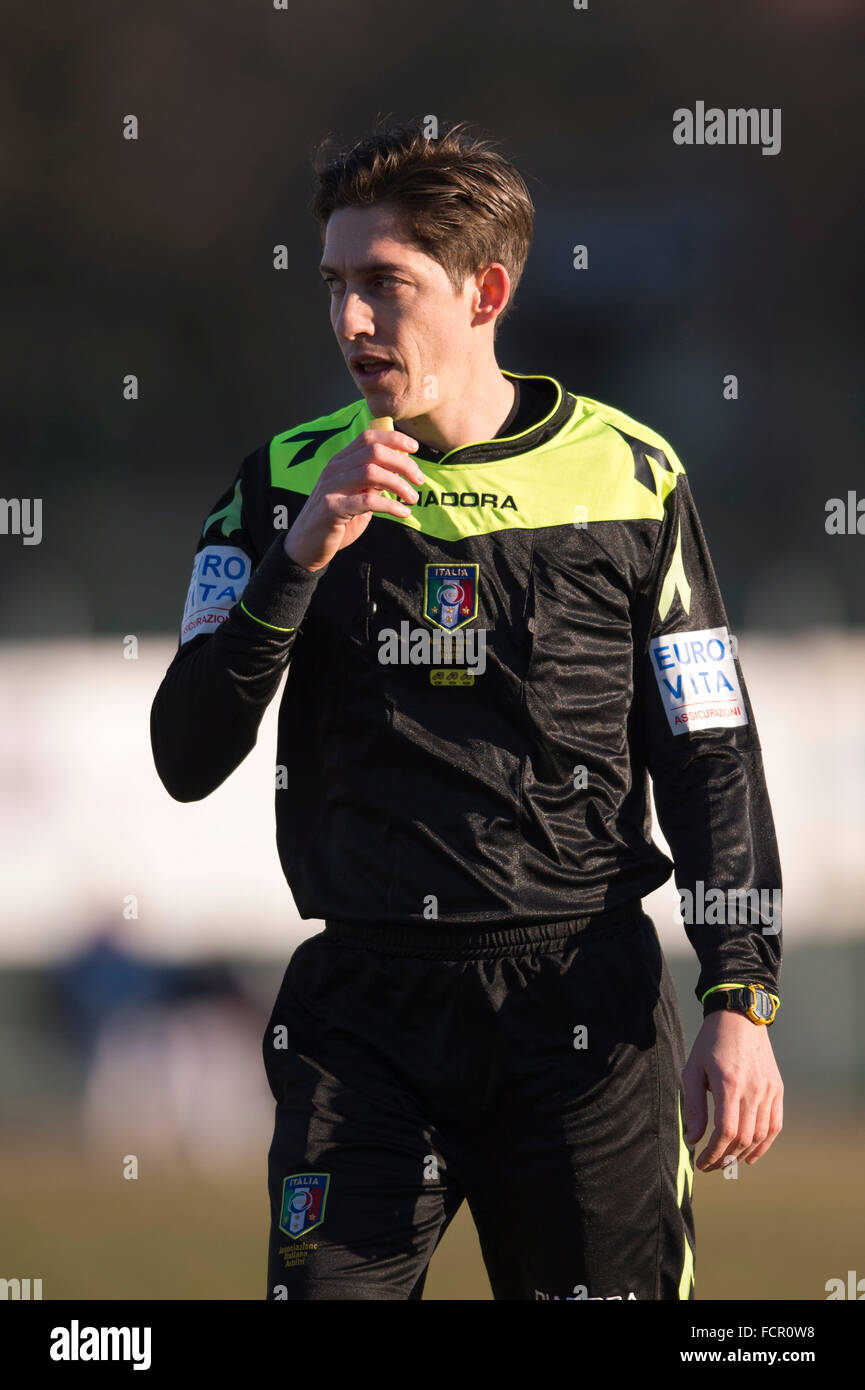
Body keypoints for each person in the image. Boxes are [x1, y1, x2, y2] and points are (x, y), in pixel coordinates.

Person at [150, 117, 783, 1301]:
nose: (347, 321)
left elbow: (709, 753)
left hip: (579, 1014)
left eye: (383, 285)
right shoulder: (279, 486)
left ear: (486, 290)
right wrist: (299, 556)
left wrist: (738, 995)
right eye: (334, 284)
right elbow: (185, 750)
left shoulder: (630, 476)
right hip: (364, 1024)